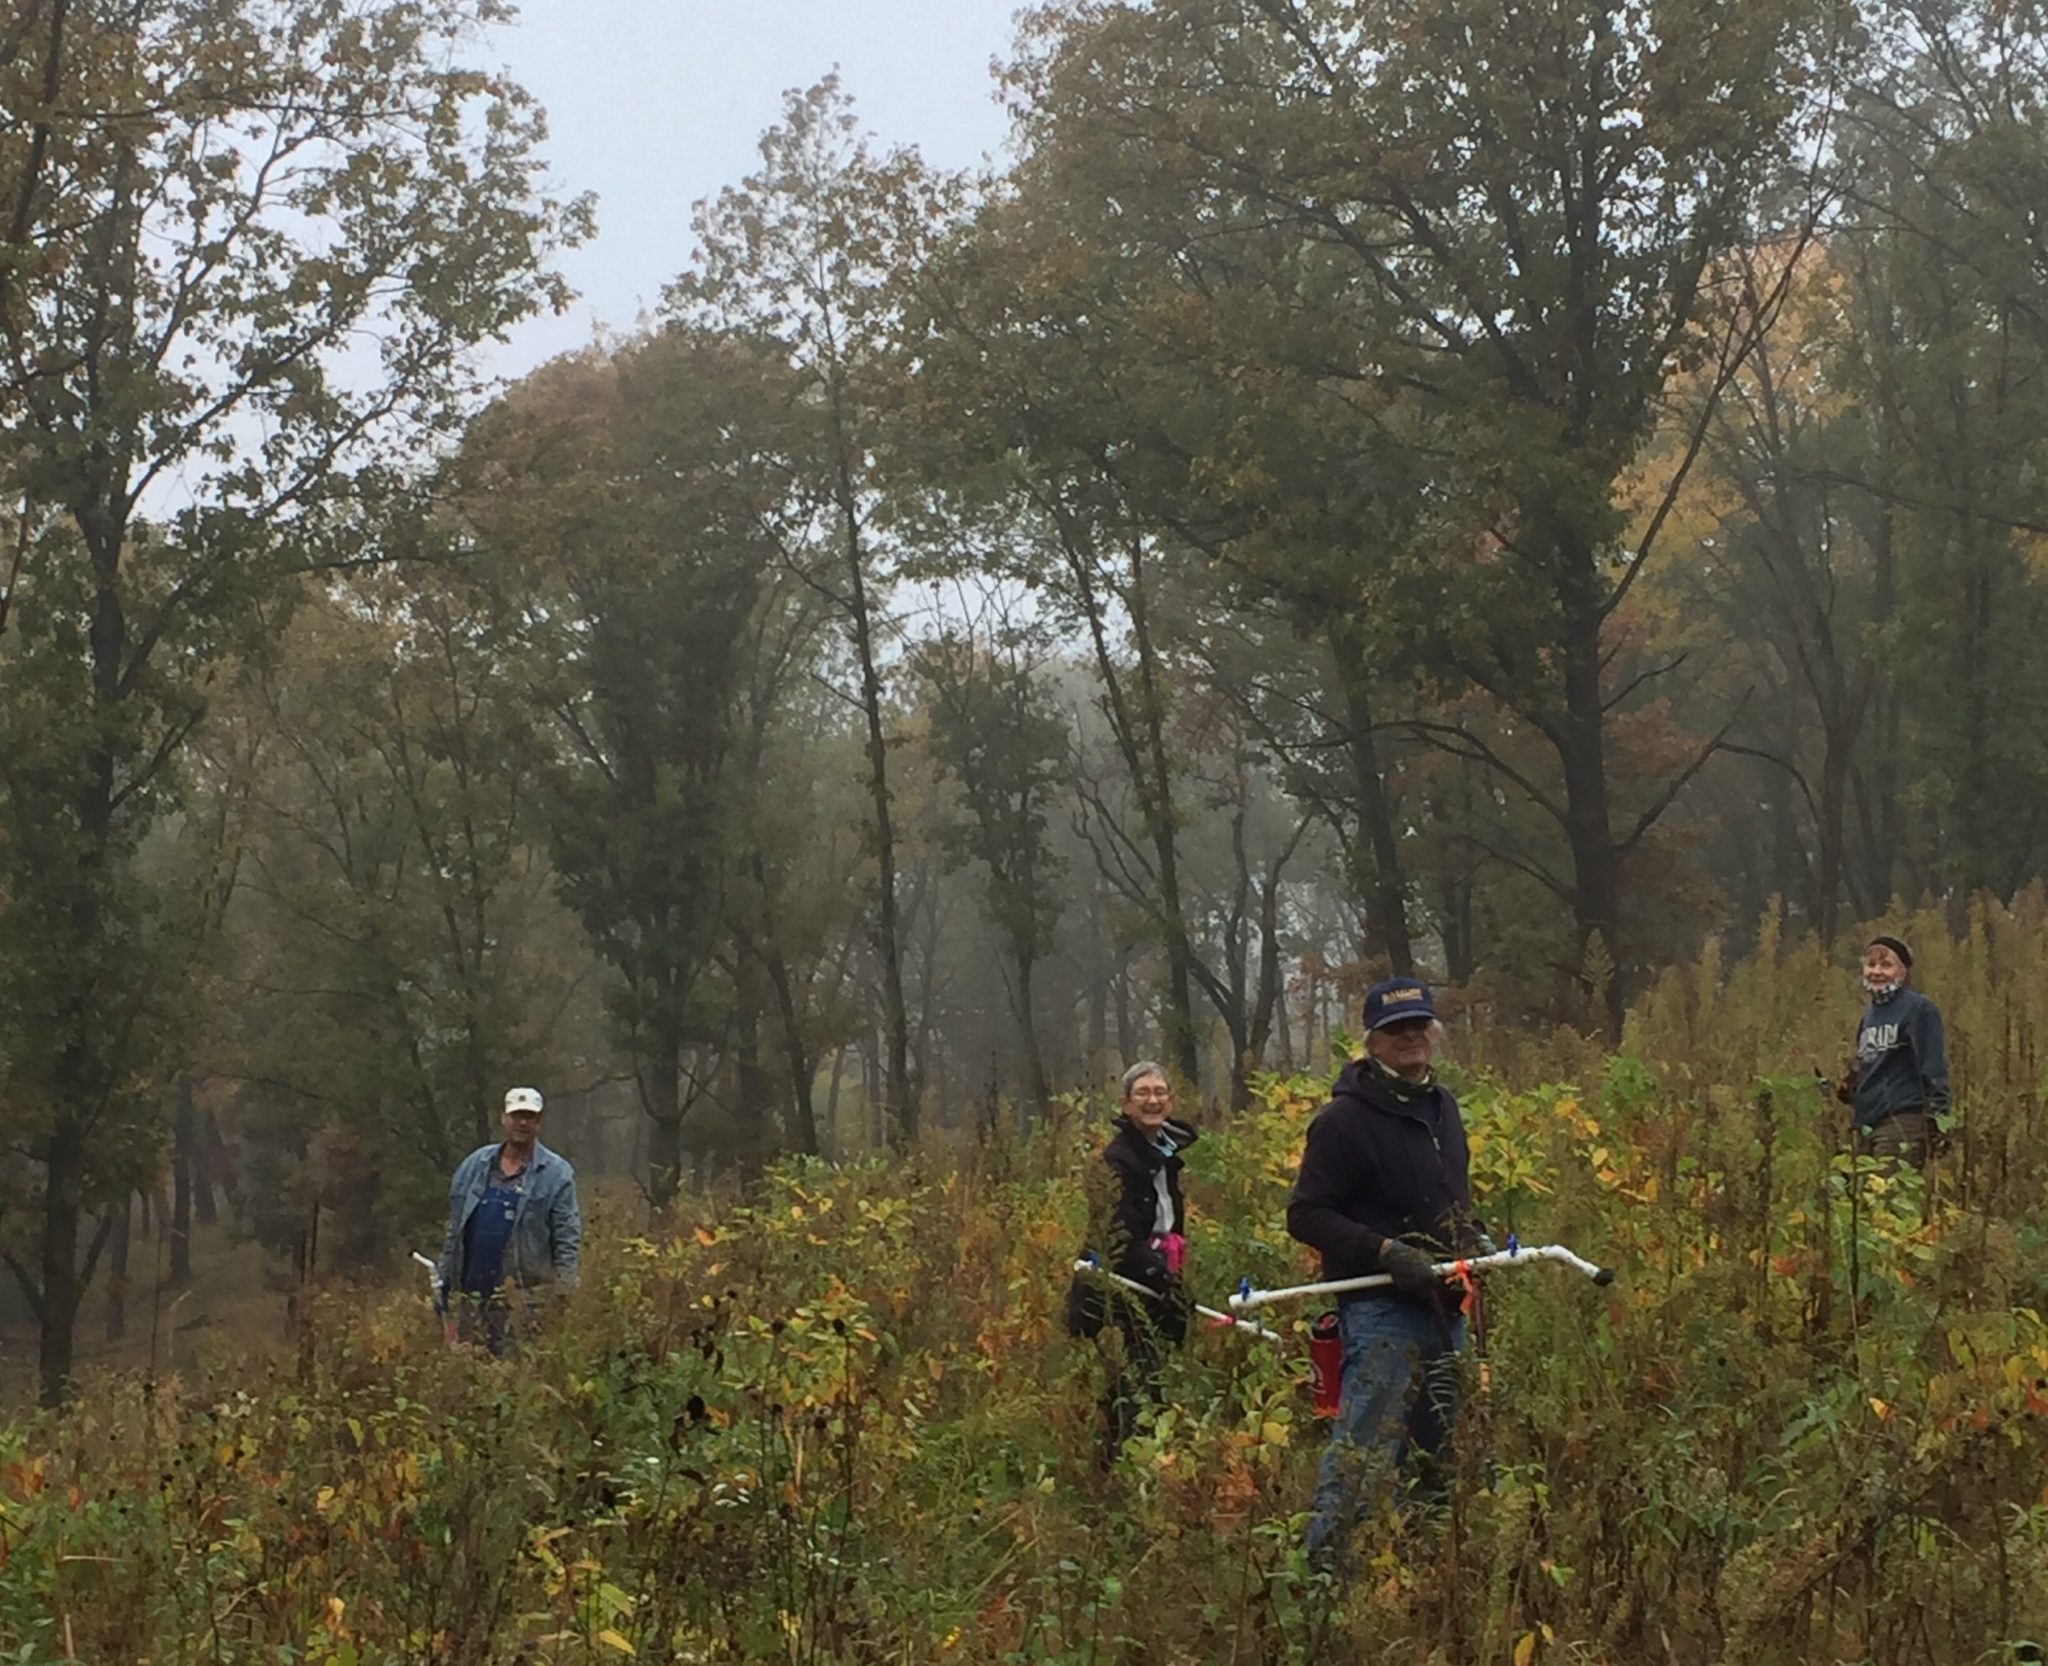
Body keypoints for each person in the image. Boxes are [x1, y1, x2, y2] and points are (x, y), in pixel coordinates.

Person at [1287, 977, 1487, 1564]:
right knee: (1362, 1457)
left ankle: (1426, 1574)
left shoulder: (1441, 1106)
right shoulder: (1342, 1120)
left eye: (1420, 1026)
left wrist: (1468, 1236)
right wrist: (1383, 1250)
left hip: (1445, 1310)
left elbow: (1453, 1195)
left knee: (1437, 1455)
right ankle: (1323, 1583)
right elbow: (1306, 1214)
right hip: (1380, 1315)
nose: (1412, 1039)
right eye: (1397, 1030)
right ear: (1372, 1041)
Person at [1066, 1061, 1198, 1469]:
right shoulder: (1115, 1162)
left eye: (1160, 1092)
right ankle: (1114, 1466)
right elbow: (1118, 1237)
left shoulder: (1166, 1153)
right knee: (1130, 1381)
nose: (1153, 1099)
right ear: (1125, 1105)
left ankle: (1142, 1461)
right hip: (1117, 1290)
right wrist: (1160, 1275)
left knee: (1152, 1374)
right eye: (1142, 1093)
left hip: (1156, 1278)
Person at [437, 1085, 582, 1356]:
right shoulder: (474, 1165)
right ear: (504, 1118)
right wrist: (444, 1279)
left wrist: (565, 1290)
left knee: (518, 1376)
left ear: (539, 1122)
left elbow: (567, 1235)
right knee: (472, 1371)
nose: (522, 1122)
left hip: (526, 1301)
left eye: (529, 1116)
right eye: (516, 1115)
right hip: (474, 1295)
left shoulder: (557, 1174)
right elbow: (455, 1227)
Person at [1835, 935, 1950, 1166]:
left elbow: (1932, 1066)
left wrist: (1938, 1118)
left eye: (1886, 965)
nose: (1876, 971)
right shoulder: (1868, 1015)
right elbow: (1870, 1063)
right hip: (1867, 1123)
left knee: (1888, 1195)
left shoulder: (1918, 1009)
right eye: (1871, 964)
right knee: (1859, 1197)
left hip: (1902, 1119)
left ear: (1902, 972)